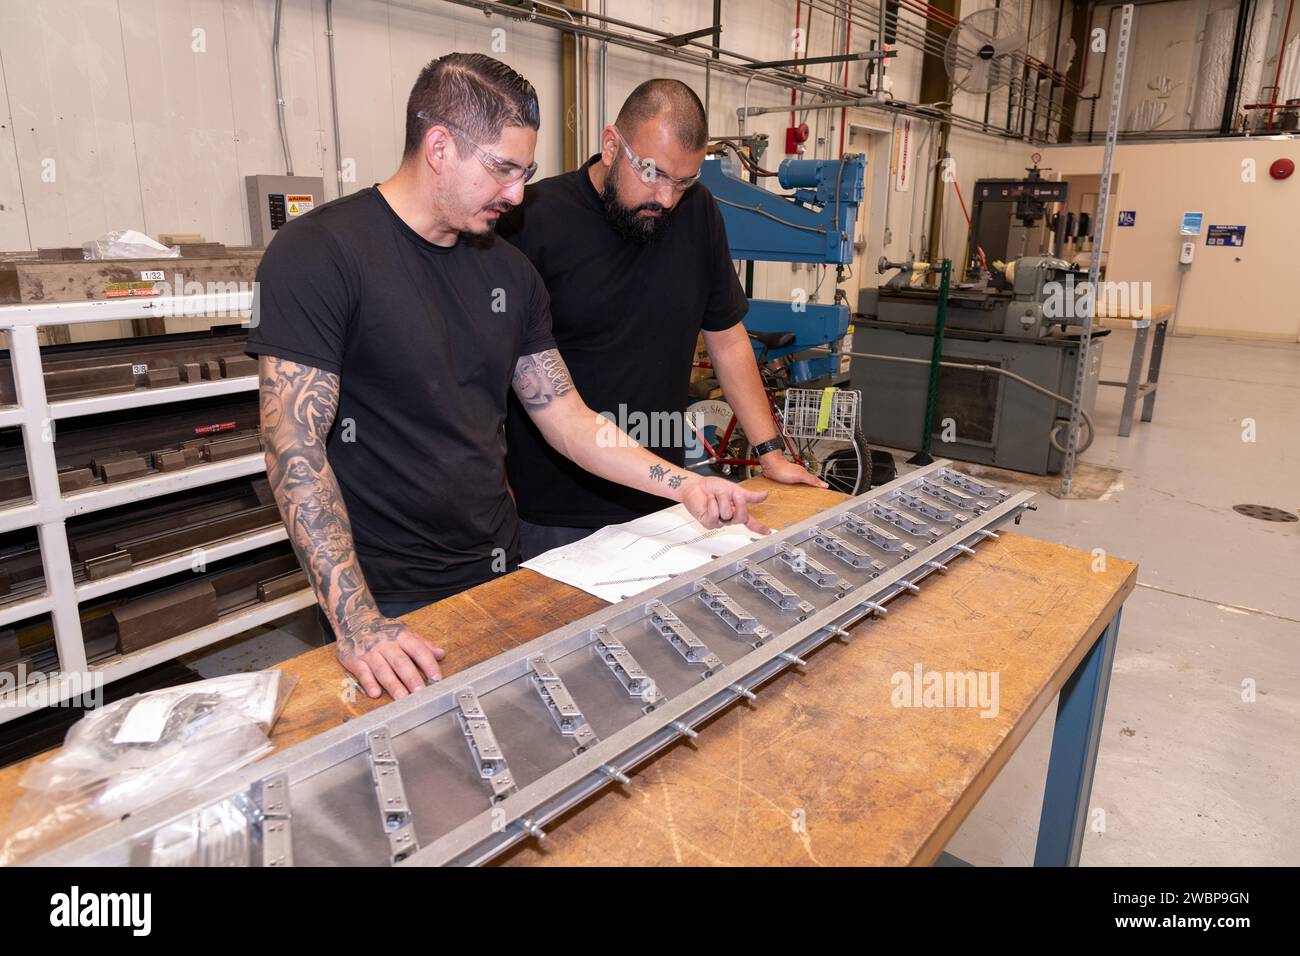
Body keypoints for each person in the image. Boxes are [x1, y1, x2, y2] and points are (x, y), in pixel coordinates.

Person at [247, 54, 767, 701]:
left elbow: (571, 423)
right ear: (439, 147)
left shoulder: (508, 275)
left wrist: (685, 483)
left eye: (526, 173)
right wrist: (357, 622)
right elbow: (292, 445)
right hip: (385, 592)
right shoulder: (319, 253)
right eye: (502, 169)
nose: (518, 194)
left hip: (500, 567)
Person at [497, 79, 825, 560]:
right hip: (555, 513)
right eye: (652, 173)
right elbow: (489, 369)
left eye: (683, 180)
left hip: (666, 499)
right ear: (611, 145)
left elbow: (728, 341)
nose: (667, 198)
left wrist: (769, 451)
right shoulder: (532, 220)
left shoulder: (698, 214)